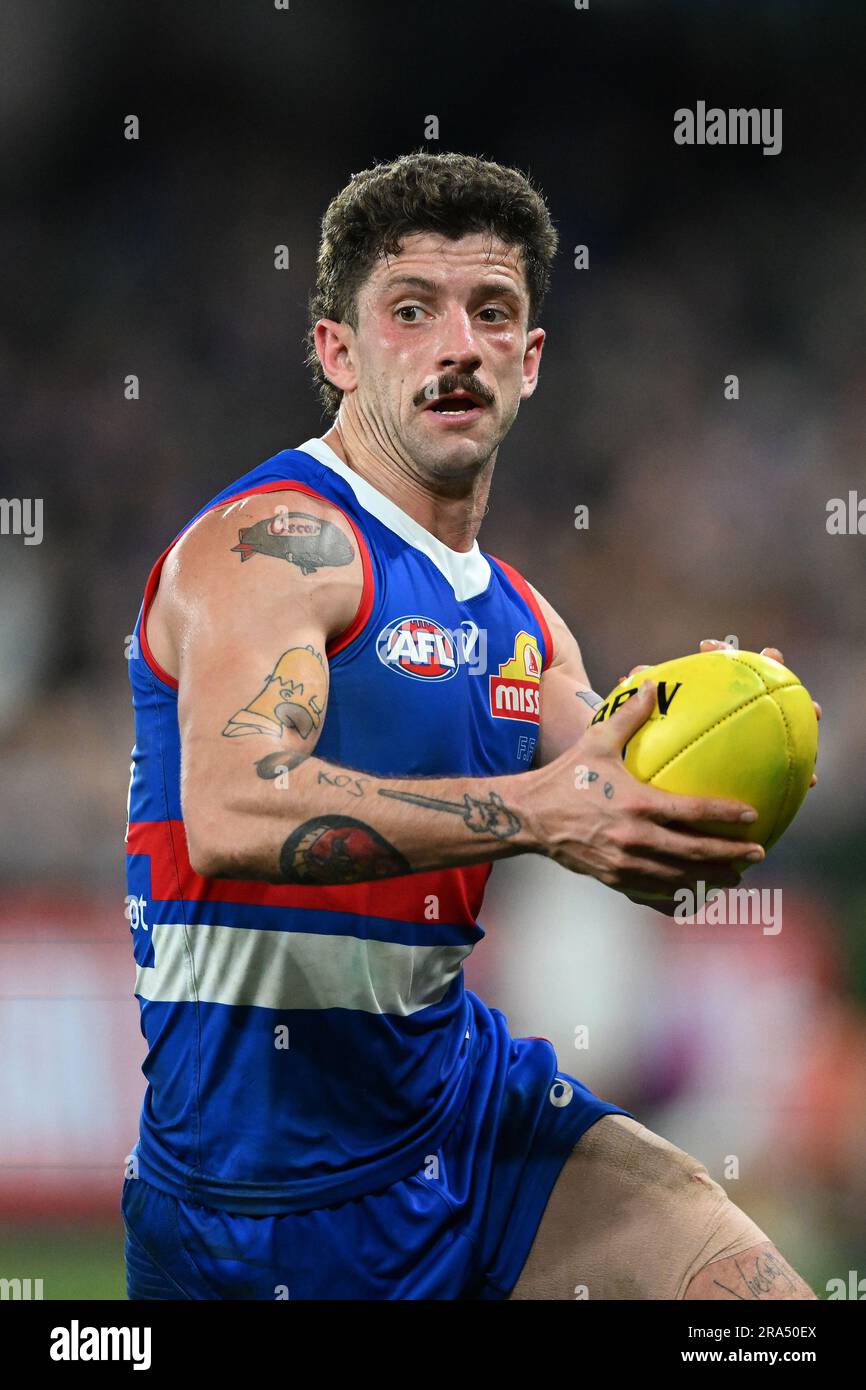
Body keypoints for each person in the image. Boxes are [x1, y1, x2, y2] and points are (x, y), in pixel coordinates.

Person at [121, 150, 817, 1300]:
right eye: (410, 312)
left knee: (751, 1302)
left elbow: (627, 827)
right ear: (335, 351)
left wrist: (740, 738)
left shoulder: (527, 631)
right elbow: (236, 810)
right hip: (247, 1206)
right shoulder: (272, 546)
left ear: (528, 359)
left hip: (460, 1115)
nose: (457, 345)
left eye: (491, 313)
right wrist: (541, 811)